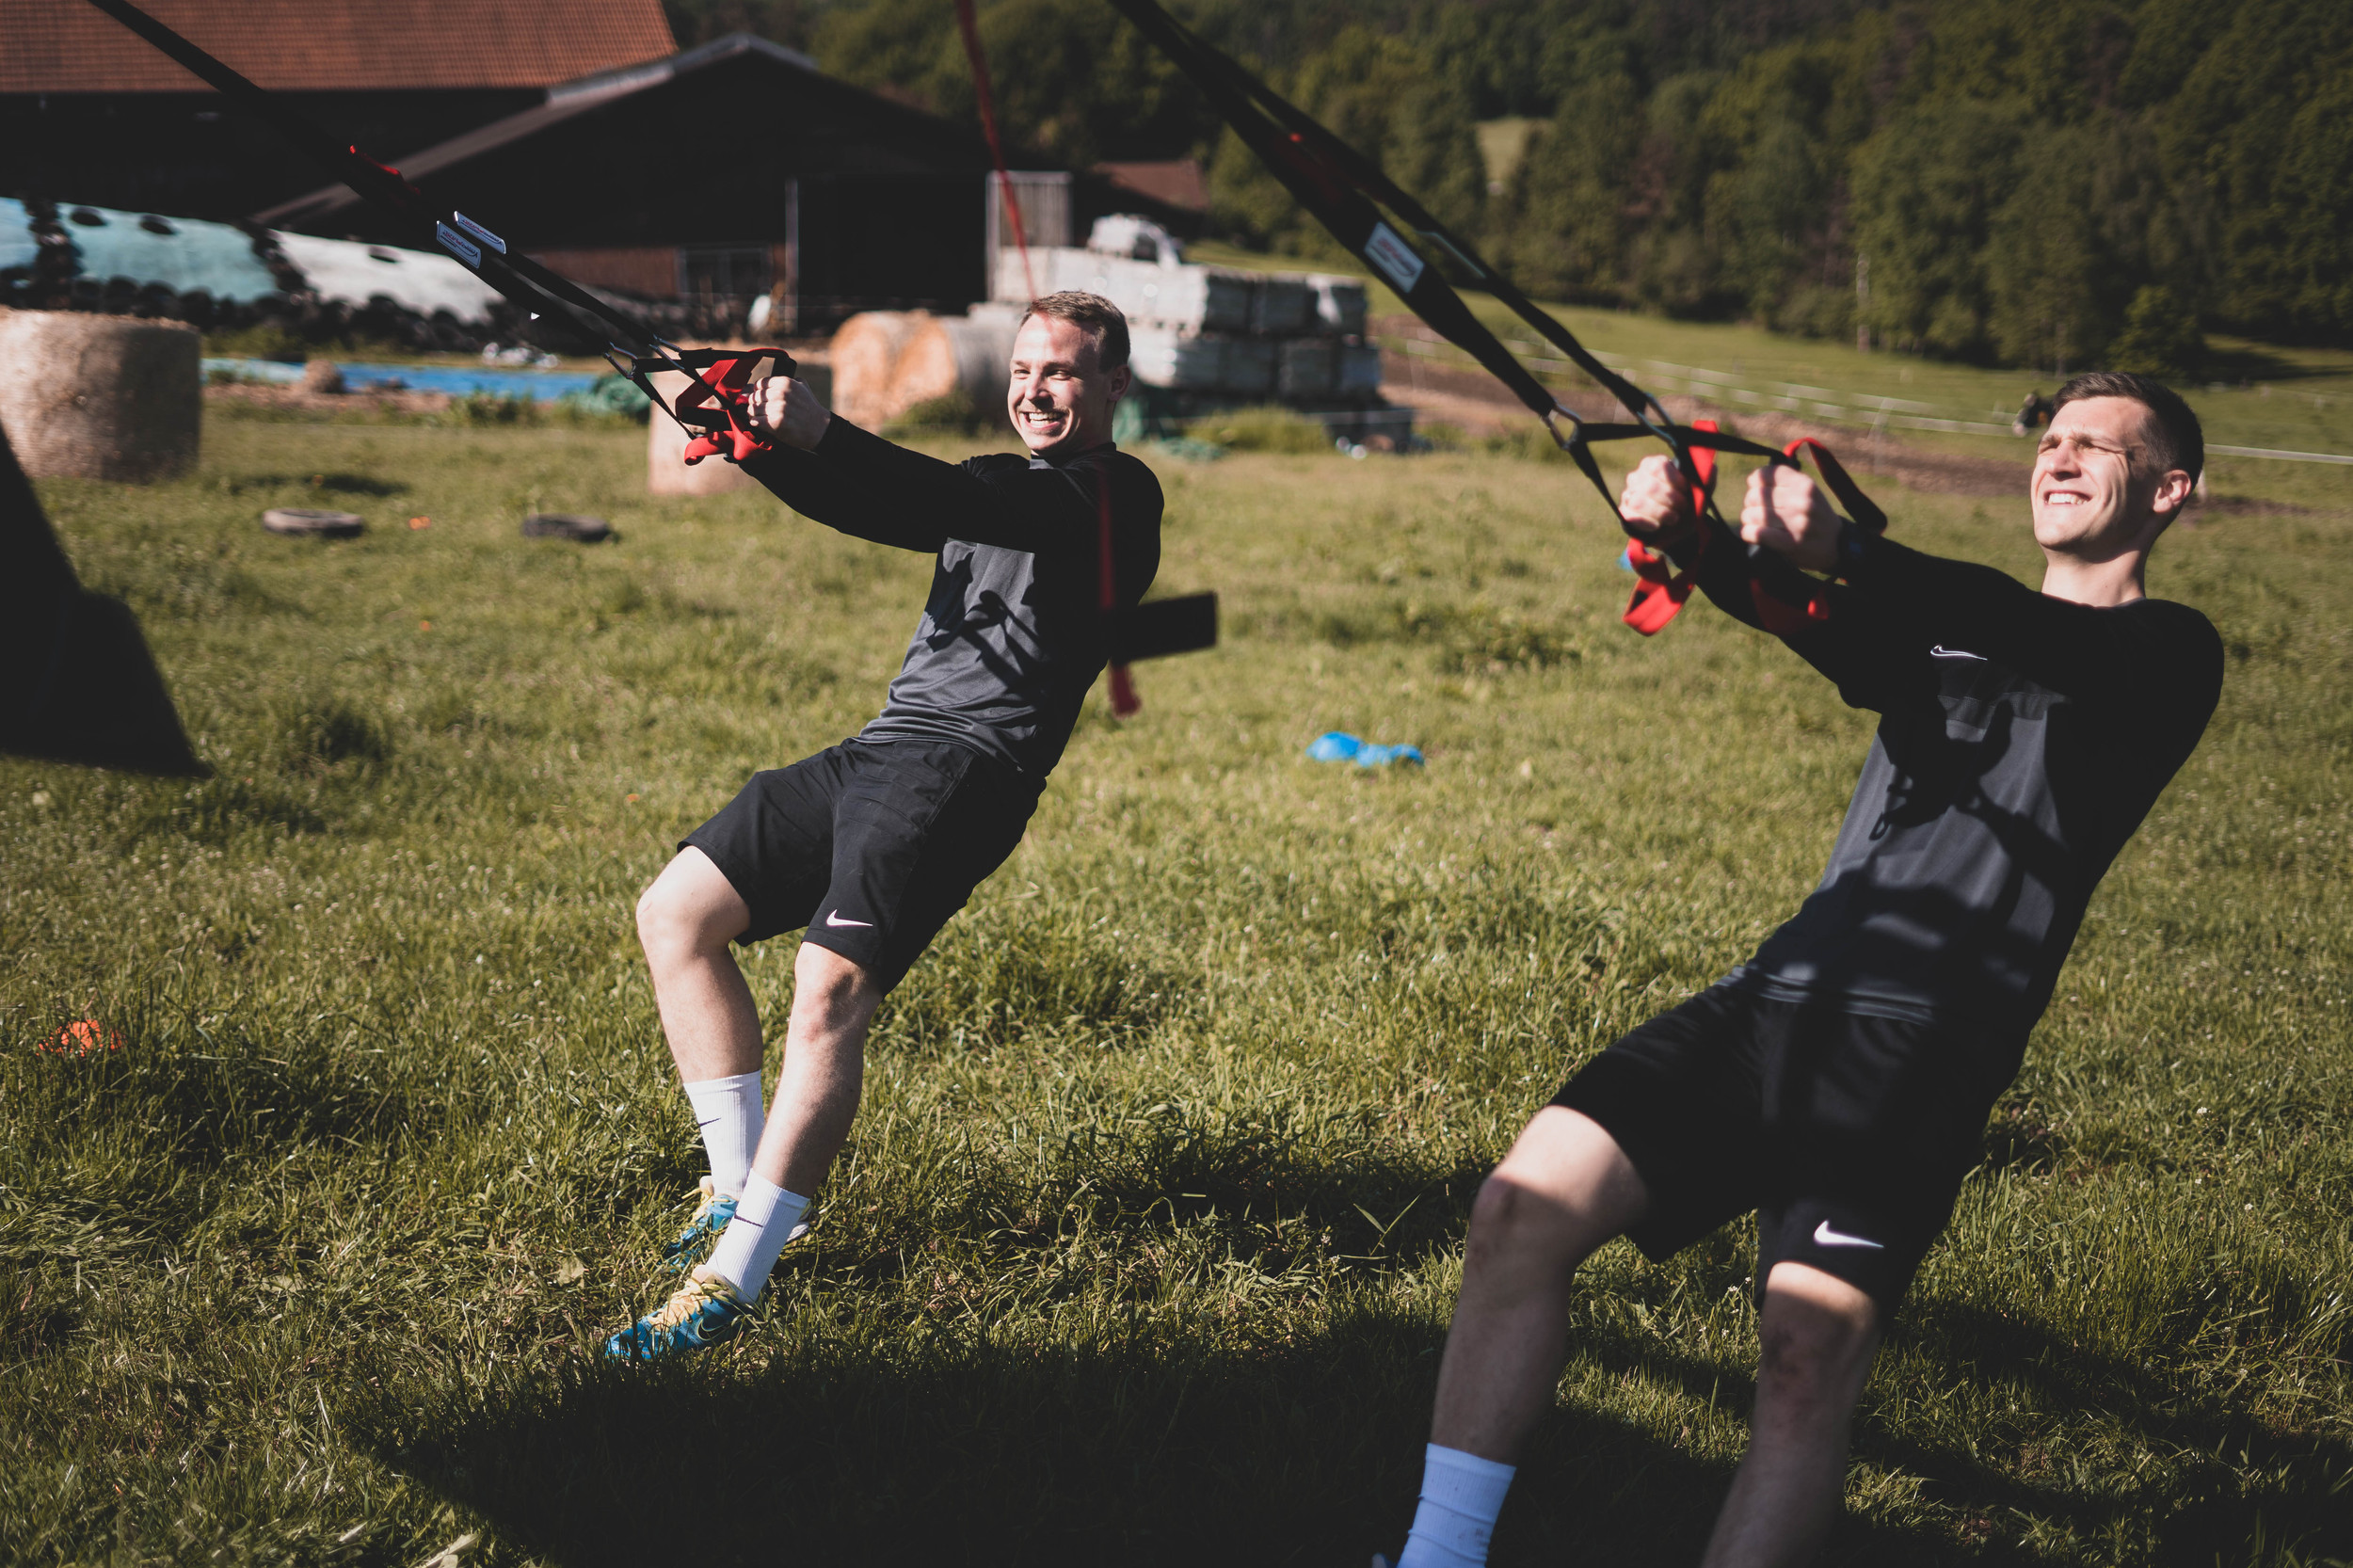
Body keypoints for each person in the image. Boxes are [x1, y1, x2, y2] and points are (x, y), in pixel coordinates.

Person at [1378, 371, 2222, 1568]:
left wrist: (1856, 549)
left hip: (1922, 1046)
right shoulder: (1938, 633)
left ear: (2169, 490)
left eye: (2097, 445)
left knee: (1801, 1359)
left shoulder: (2168, 655)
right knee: (1519, 1209)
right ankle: (1438, 1557)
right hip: (1773, 999)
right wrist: (1695, 539)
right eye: (2050, 439)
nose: (2060, 457)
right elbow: (1814, 618)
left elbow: (2023, 628)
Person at [604, 291, 1160, 1360]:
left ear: (1113, 389)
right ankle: (732, 1187)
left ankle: (735, 1278)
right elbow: (882, 508)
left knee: (829, 989)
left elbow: (948, 496)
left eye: (1063, 374)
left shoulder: (1116, 495)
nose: (1035, 391)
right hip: (880, 747)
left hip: (964, 772)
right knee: (677, 912)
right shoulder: (998, 480)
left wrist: (824, 428)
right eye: (1024, 371)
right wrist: (753, 445)